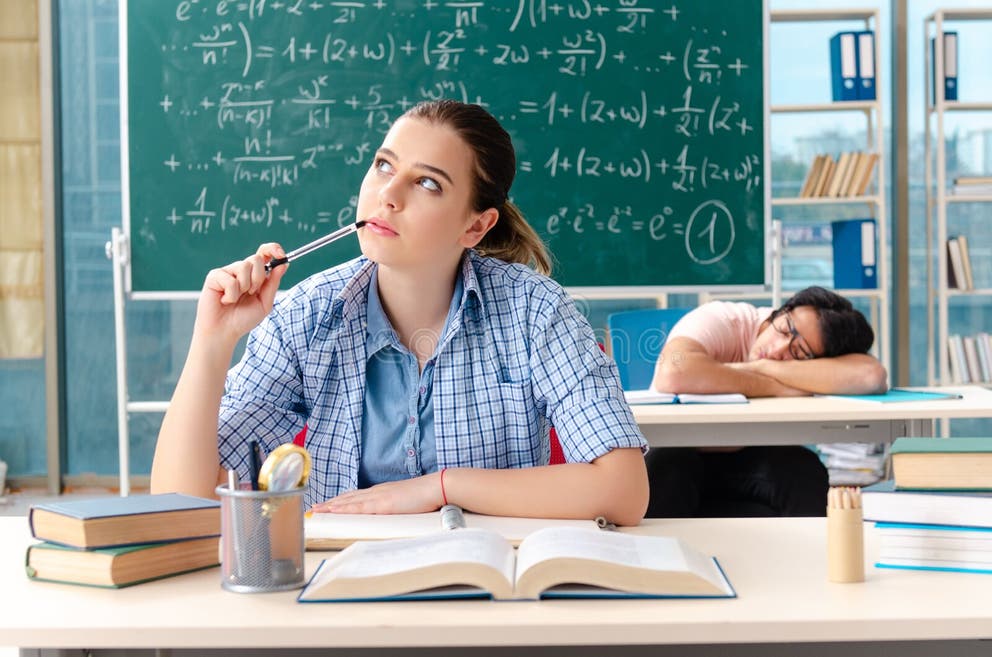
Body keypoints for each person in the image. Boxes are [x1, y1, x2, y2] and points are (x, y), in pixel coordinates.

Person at [150, 99, 649, 526]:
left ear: (476, 226)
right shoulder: (305, 315)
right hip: (341, 595)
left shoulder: (536, 311)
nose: (388, 194)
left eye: (427, 184)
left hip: (489, 594)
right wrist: (212, 344)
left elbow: (624, 491)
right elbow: (179, 505)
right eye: (384, 166)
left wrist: (440, 488)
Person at [645, 286, 888, 518]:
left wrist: (764, 367)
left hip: (745, 454)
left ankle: (811, 561)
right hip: (678, 448)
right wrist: (774, 386)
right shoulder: (724, 319)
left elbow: (871, 375)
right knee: (666, 470)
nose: (777, 349)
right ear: (779, 312)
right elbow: (673, 371)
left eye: (799, 353)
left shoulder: (775, 358)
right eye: (784, 329)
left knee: (804, 472)